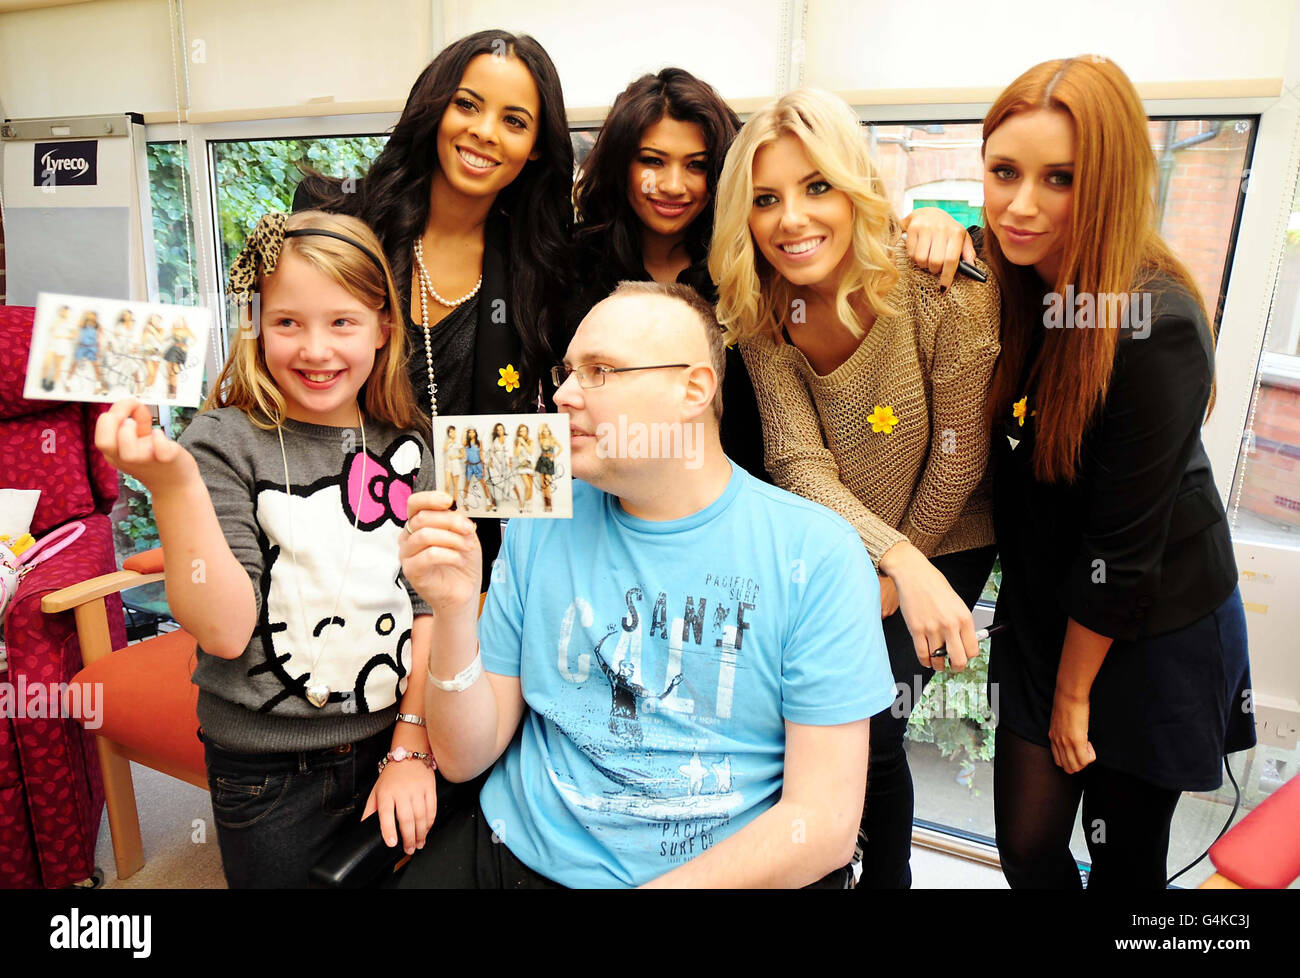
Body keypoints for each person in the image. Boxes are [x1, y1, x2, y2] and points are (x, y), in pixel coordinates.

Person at [394, 281, 896, 888]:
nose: (563, 393)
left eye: (600, 370)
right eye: (568, 371)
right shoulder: (541, 516)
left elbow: (821, 825)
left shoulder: (816, 555)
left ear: (694, 389)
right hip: (511, 855)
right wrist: (450, 612)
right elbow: (463, 755)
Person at [95, 210, 441, 888]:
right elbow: (224, 631)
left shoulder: (410, 446)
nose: (315, 349)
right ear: (256, 326)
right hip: (267, 774)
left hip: (388, 739)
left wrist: (410, 743)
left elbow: (428, 608)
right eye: (288, 323)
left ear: (383, 328)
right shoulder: (223, 440)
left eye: (342, 321)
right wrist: (173, 486)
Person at [710, 88, 1002, 889]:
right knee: (823, 727)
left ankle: (887, 880)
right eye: (764, 199)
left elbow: (959, 457)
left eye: (816, 188)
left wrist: (905, 569)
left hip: (950, 538)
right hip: (859, 546)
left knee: (874, 727)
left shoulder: (944, 281)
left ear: (855, 189)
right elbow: (800, 464)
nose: (790, 220)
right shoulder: (761, 308)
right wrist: (885, 563)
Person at [977, 56, 1254, 889]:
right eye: (1003, 172)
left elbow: (1122, 549)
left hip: (1145, 629)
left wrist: (1073, 696)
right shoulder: (1017, 284)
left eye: (1059, 179)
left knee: (1123, 861)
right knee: (1027, 847)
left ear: (1109, 183)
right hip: (1044, 613)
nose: (1021, 205)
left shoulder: (1155, 323)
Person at [295, 30, 574, 575]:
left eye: (514, 121)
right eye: (466, 105)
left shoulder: (540, 267)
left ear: (537, 146)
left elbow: (518, 461)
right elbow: (278, 363)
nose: (484, 132)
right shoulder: (342, 220)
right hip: (326, 527)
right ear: (435, 106)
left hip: (460, 553)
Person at [570, 68, 767, 479]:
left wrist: (924, 225)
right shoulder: (569, 267)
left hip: (738, 511)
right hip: (598, 507)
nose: (674, 185)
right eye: (652, 161)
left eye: (696, 165)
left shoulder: (751, 264)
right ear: (621, 165)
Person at [40, 304, 77, 392]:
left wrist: (63, 336)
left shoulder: (70, 322)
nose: (63, 312)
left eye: (65, 311)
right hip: (52, 344)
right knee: (46, 364)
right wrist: (58, 321)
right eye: (62, 310)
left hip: (63, 344)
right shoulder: (56, 320)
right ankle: (43, 381)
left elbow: (74, 335)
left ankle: (52, 384)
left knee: (58, 366)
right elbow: (51, 329)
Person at [534, 422, 561, 513]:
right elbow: (538, 433)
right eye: (544, 431)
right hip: (542, 460)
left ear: (549, 432)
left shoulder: (552, 439)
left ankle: (549, 504)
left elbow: (560, 448)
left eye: (547, 431)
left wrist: (554, 456)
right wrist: (543, 425)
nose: (545, 432)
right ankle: (546, 504)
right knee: (543, 484)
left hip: (549, 462)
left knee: (547, 483)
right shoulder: (541, 439)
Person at [442, 424, 463, 508]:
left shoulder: (458, 443)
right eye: (450, 431)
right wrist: (448, 442)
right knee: (447, 484)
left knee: (455, 485)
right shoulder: (448, 442)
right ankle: (446, 502)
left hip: (455, 464)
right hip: (448, 464)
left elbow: (462, 454)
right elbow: (444, 450)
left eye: (453, 431)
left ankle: (454, 503)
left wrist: (455, 457)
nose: (452, 433)